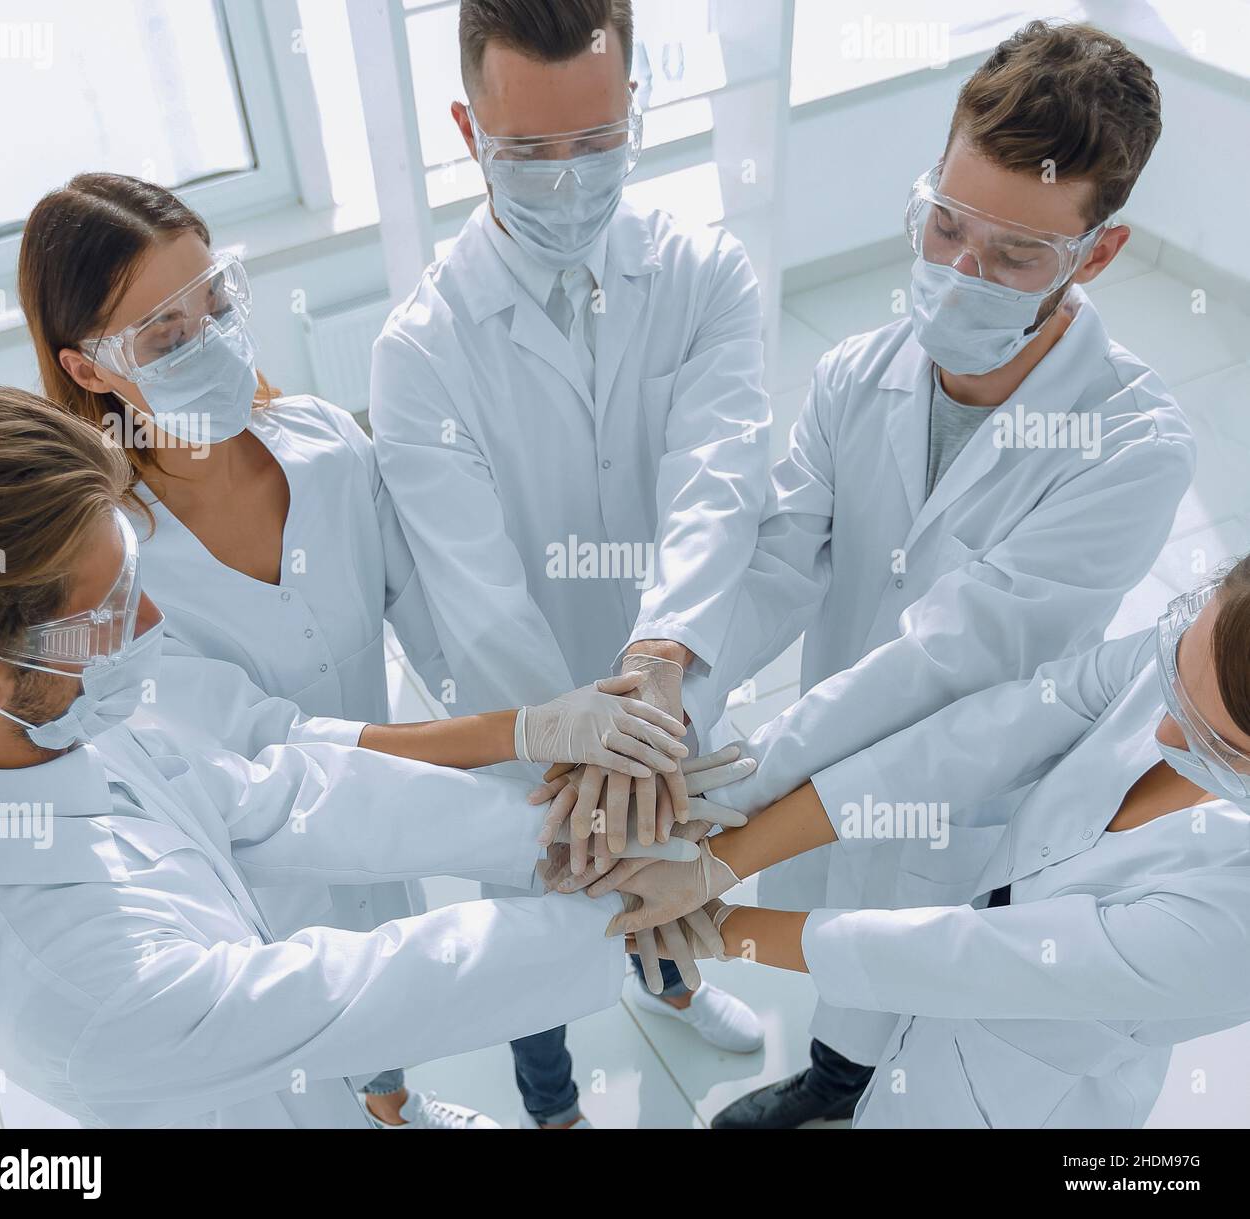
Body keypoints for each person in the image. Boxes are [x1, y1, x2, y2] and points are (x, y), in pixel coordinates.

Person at [571, 20, 1193, 1128]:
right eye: (945, 226)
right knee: (845, 967)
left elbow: (957, 655)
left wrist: (739, 785)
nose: (960, 275)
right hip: (834, 756)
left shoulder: (1132, 445)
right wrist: (669, 696)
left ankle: (863, 1090)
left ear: (1095, 254)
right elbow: (773, 562)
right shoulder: (861, 373)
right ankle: (830, 1078)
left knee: (932, 996)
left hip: (972, 792)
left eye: (1013, 257)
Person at [0, 384, 749, 1129]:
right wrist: (621, 904)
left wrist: (579, 834)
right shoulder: (67, 967)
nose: (153, 618)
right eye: (110, 611)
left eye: (134, 578)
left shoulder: (62, 733)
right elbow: (366, 989)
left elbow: (285, 797)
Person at [370, 0, 771, 1127]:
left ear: (632, 105)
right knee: (530, 910)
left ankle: (678, 982)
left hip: (670, 673)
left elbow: (718, 476)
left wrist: (655, 670)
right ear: (467, 125)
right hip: (519, 712)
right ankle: (549, 1101)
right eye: (529, 152)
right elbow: (475, 594)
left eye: (594, 144)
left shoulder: (704, 272)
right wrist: (578, 744)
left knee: (670, 855)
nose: (566, 180)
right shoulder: (421, 349)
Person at [585, 557, 1250, 1127]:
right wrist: (725, 856)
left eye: (1211, 739)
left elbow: (967, 960)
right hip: (940, 1024)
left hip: (1020, 1099)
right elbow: (978, 739)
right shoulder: (1200, 649)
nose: (1160, 729)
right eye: (1172, 679)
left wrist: (725, 927)